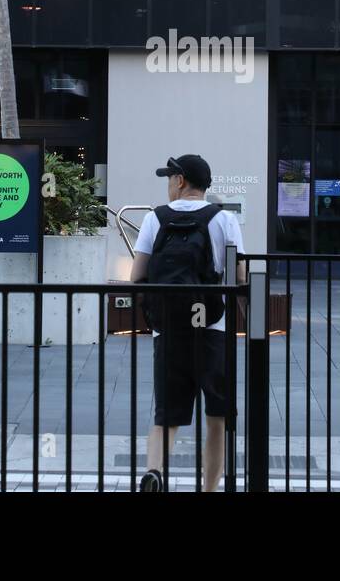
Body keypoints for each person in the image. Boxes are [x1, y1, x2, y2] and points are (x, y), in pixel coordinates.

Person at [130, 154, 245, 492]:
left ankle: (154, 471)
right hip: (211, 329)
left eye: (169, 177)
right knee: (217, 415)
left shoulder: (156, 218)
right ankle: (209, 489)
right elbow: (238, 276)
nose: (168, 184)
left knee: (166, 414)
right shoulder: (223, 219)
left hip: (168, 328)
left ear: (180, 181)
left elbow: (137, 274)